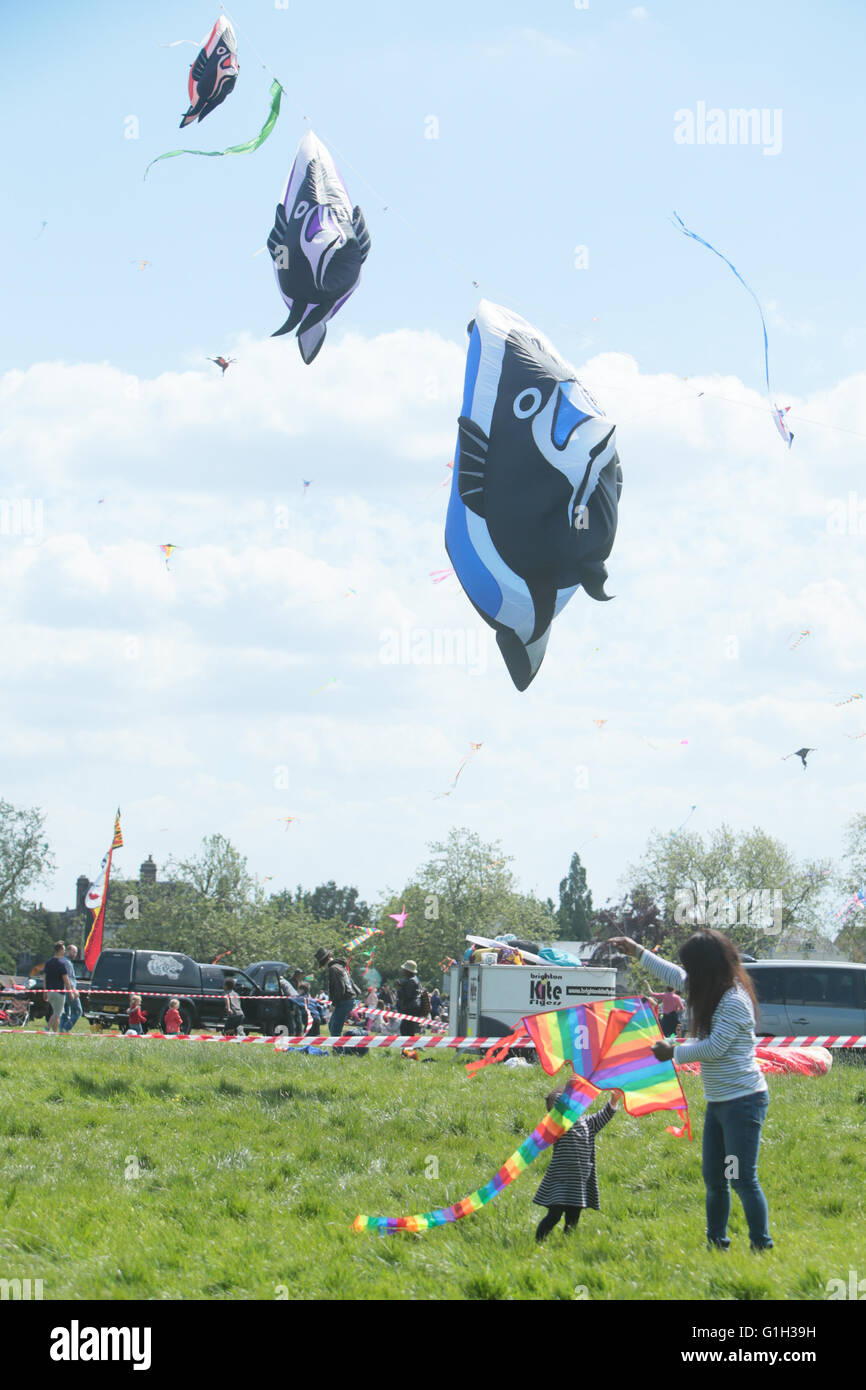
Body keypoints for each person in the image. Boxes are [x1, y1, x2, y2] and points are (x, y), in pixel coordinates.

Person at [610, 930, 773, 1252]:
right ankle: (716, 1244)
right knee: (715, 1179)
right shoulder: (708, 987)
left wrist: (673, 1052)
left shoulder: (733, 1000)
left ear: (708, 968)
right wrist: (637, 951)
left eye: (692, 967)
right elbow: (673, 973)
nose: (688, 975)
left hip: (742, 1104)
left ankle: (761, 1246)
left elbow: (715, 1047)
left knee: (740, 1179)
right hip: (719, 1103)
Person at [534, 1089, 619, 1241]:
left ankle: (566, 1243)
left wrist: (613, 1101)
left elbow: (603, 1116)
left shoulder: (587, 1123)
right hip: (561, 1182)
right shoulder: (559, 1127)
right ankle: (539, 1241)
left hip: (578, 1184)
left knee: (573, 1219)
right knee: (554, 1216)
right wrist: (571, 1088)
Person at [314, 948, 359, 1036]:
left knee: (335, 1030)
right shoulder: (340, 966)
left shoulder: (333, 969)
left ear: (323, 961)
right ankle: (339, 1048)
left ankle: (338, 1049)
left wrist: (334, 1004)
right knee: (331, 1025)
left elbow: (340, 989)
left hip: (344, 1000)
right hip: (348, 999)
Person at [43, 943, 76, 1035]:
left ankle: (54, 1033)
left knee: (56, 1013)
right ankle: (46, 1029)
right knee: (57, 1014)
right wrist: (71, 992)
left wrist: (45, 991)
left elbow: (45, 978)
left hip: (50, 992)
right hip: (59, 992)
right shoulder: (61, 964)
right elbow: (66, 979)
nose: (64, 951)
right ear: (60, 950)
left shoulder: (48, 962)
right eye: (64, 949)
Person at [395, 961, 425, 1036]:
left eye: (404, 969)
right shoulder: (415, 980)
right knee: (409, 1030)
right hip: (413, 1009)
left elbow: (406, 996)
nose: (402, 971)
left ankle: (409, 1047)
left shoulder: (411, 981)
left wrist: (399, 988)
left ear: (408, 971)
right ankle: (410, 1047)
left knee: (405, 1030)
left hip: (410, 1009)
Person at [59, 945, 83, 1033]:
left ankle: (61, 1031)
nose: (75, 954)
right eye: (74, 952)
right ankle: (66, 1028)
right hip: (69, 990)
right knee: (78, 1011)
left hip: (62, 991)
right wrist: (73, 990)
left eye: (76, 952)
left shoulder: (62, 961)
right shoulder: (67, 963)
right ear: (68, 951)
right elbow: (68, 978)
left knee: (65, 1013)